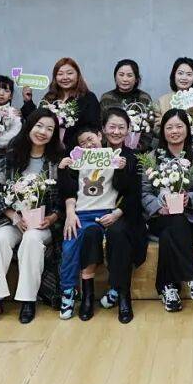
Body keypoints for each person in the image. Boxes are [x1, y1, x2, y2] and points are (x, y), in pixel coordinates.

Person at [58, 111, 145, 323]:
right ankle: (78, 294)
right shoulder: (78, 159)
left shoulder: (126, 158)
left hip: (118, 213)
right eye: (112, 127)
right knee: (81, 237)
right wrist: (63, 170)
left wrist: (117, 212)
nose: (116, 131)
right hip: (83, 215)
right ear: (104, 130)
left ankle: (119, 292)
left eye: (121, 127)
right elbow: (68, 187)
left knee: (118, 234)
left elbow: (132, 193)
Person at [0, 109, 65, 327]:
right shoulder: (10, 158)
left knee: (31, 240)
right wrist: (14, 217)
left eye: (50, 129)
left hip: (43, 223)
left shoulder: (57, 162)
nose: (43, 132)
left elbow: (66, 196)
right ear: (29, 126)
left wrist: (52, 218)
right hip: (14, 220)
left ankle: (28, 300)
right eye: (39, 126)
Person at [141, 108, 193, 312]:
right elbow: (144, 192)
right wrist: (157, 207)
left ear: (187, 129)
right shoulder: (151, 158)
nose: (174, 131)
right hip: (159, 217)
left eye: (179, 126)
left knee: (172, 228)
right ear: (163, 131)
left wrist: (191, 199)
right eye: (169, 127)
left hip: (189, 218)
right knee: (172, 221)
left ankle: (168, 287)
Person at [22, 57, 101, 148]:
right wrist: (28, 101)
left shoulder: (88, 98)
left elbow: (92, 127)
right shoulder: (49, 97)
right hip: (48, 149)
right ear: (55, 77)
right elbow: (35, 121)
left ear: (77, 75)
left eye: (69, 73)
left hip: (77, 149)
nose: (65, 77)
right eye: (60, 74)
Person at [100, 59, 158, 153]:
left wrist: (137, 149)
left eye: (129, 75)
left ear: (136, 79)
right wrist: (109, 148)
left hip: (138, 151)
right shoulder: (106, 98)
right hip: (110, 150)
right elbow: (101, 126)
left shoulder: (144, 98)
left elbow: (149, 129)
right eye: (121, 75)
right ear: (115, 77)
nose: (125, 79)